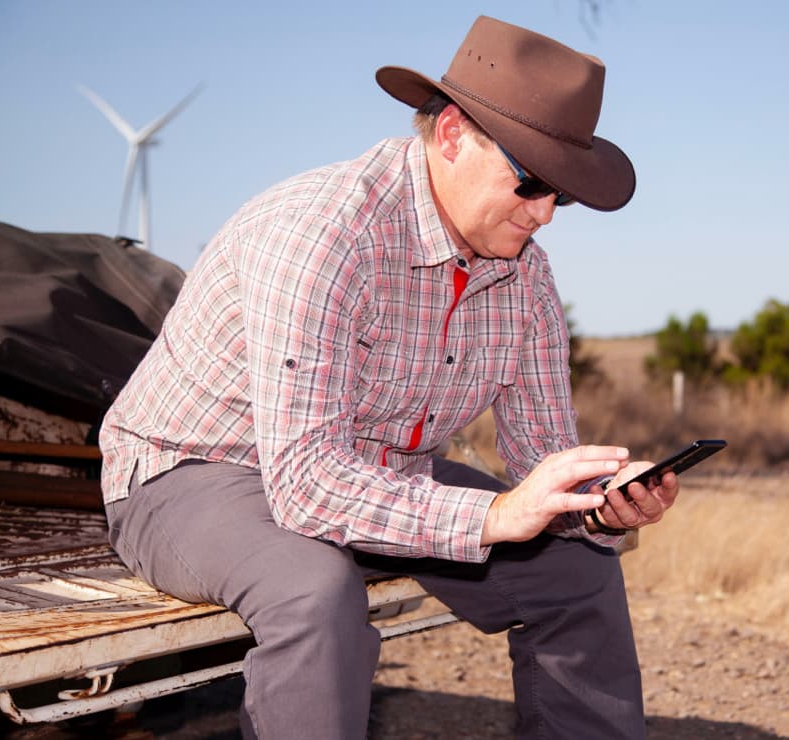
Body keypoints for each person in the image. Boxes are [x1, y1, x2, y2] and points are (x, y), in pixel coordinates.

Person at [99, 15, 674, 740]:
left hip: (376, 472)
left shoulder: (526, 275)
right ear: (453, 134)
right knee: (314, 592)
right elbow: (307, 484)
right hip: (195, 472)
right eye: (531, 181)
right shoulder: (320, 233)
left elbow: (543, 457)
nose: (545, 215)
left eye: (563, 195)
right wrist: (495, 515)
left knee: (579, 570)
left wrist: (598, 503)